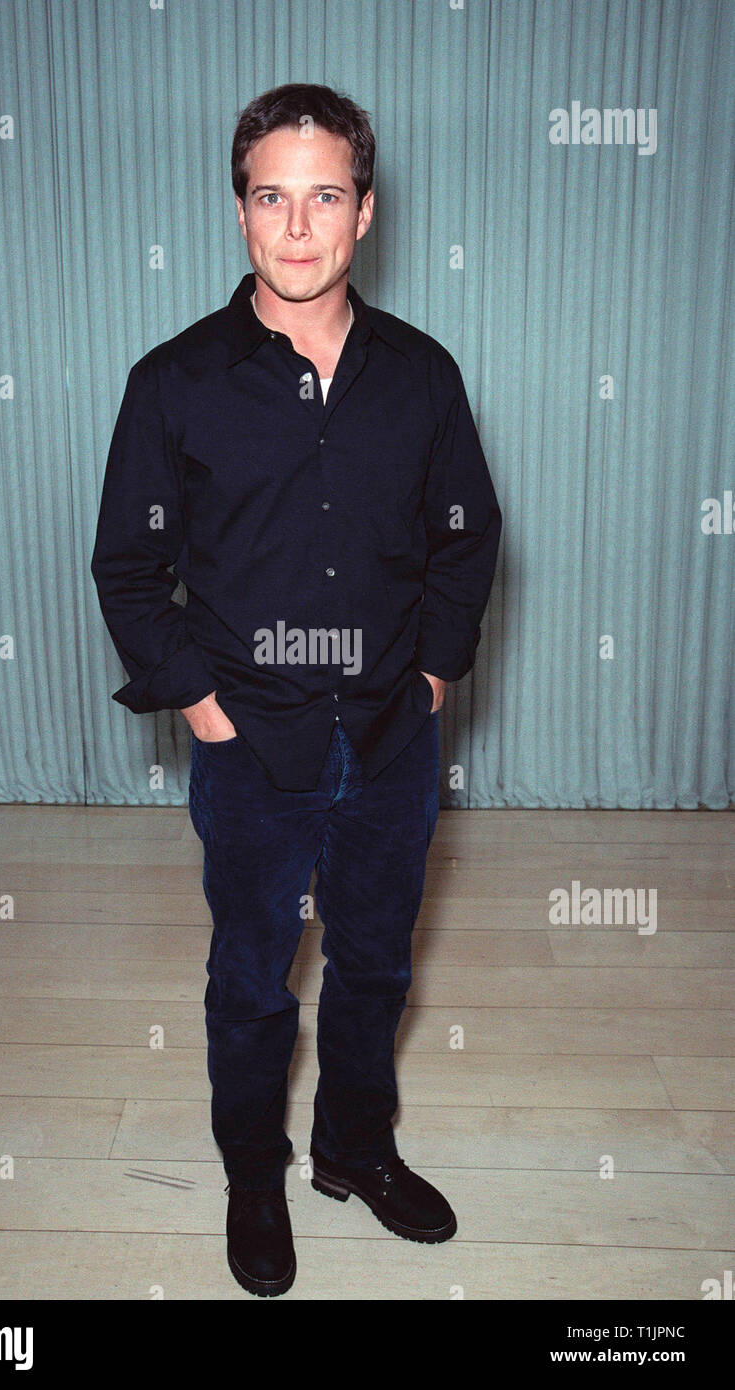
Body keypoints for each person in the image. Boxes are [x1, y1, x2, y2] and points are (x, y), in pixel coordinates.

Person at [91, 82, 502, 1298]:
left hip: (389, 736)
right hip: (247, 746)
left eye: (326, 196)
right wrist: (203, 709)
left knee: (375, 962)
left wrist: (431, 675)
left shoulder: (423, 377)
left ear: (365, 212)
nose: (299, 224)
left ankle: (355, 1151)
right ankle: (254, 1170)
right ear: (240, 214)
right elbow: (127, 566)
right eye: (273, 196)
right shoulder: (173, 382)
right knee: (253, 973)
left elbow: (468, 538)